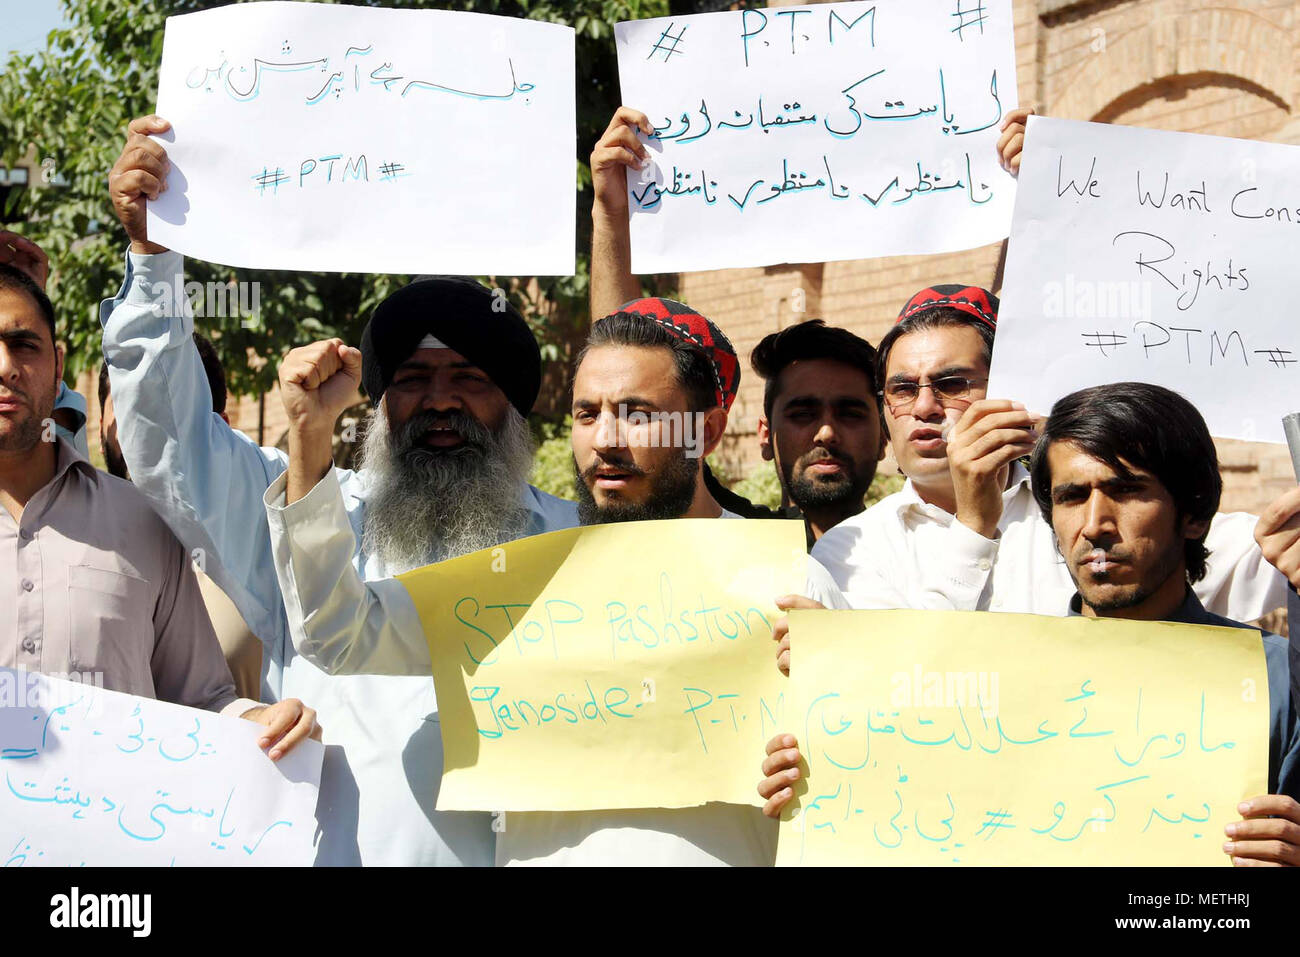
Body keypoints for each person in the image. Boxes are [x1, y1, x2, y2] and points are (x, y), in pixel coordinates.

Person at [101, 114, 575, 866]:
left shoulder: (571, 546)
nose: (441, 402)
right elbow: (168, 440)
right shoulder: (310, 506)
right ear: (380, 409)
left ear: (515, 409)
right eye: (414, 380)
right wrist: (154, 257)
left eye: (470, 380)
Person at [764, 382, 1300, 865]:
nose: (1094, 525)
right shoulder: (990, 684)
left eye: (1128, 490)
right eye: (1071, 496)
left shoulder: (1273, 681)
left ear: (1195, 512)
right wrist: (819, 758)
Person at [811, 283, 1288, 621]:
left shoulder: (1085, 503)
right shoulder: (851, 552)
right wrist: (974, 524)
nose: (925, 407)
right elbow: (903, 689)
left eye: (952, 384)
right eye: (902, 389)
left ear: (1008, 390)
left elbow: (1264, 555)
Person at [0, 262, 316, 756]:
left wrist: (262, 721)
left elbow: (201, 699)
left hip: (107, 824)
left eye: (23, 344)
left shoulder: (142, 523)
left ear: (58, 365)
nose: (5, 366)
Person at [98, 335, 263, 702]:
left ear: (222, 428)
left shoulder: (268, 553)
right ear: (100, 425)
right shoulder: (65, 540)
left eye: (171, 416)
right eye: (130, 410)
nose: (148, 437)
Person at [749, 320, 886, 545]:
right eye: (802, 414)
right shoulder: (728, 563)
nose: (826, 433)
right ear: (766, 436)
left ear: (883, 438)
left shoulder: (920, 563)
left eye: (850, 414)